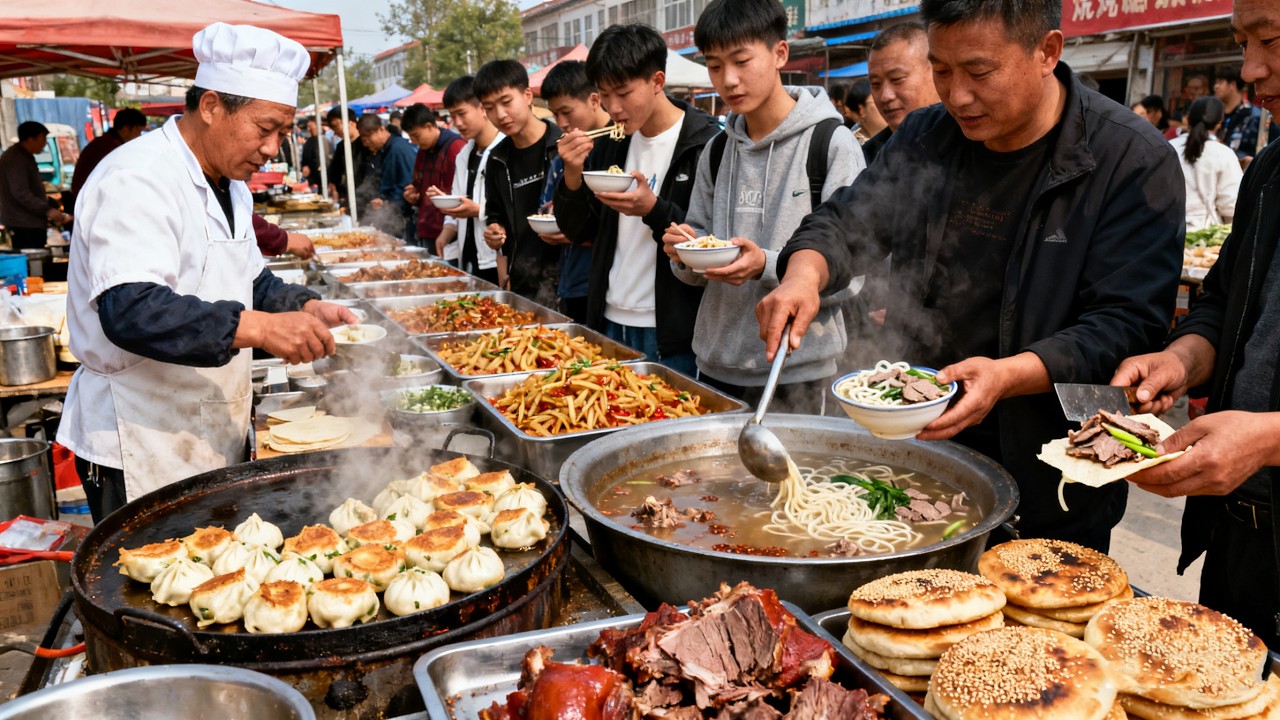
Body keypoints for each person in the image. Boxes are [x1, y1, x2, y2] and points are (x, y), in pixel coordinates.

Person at [756, 0, 1184, 552]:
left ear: (1047, 51)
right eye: (941, 69)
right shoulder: (926, 136)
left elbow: (1126, 325)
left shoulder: (1130, 159)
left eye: (979, 71)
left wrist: (1007, 375)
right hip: (916, 454)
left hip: (1057, 471)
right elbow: (847, 220)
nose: (956, 95)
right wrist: (803, 274)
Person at [58, 22, 357, 522]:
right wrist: (261, 327)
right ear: (212, 106)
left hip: (209, 423)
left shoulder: (230, 182)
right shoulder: (138, 177)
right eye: (266, 129)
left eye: (283, 132)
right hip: (140, 435)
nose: (272, 149)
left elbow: (249, 279)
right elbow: (131, 309)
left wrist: (302, 305)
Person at [1110, 0, 1280, 649]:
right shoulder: (1268, 172)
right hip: (1240, 534)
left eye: (1271, 40)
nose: (1251, 69)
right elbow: (1220, 302)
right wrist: (1181, 359)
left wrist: (1266, 439)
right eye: (1242, 43)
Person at [654, 0, 862, 411]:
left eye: (741, 61)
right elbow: (697, 246)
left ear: (780, 53)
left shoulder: (831, 145)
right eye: (715, 66)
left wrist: (766, 264)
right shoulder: (716, 150)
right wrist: (684, 251)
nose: (728, 80)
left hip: (798, 369)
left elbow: (856, 274)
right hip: (715, 363)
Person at [554, 24, 719, 375]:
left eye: (624, 93)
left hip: (674, 332)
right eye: (604, 94)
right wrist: (571, 173)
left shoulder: (704, 144)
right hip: (608, 319)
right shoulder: (611, 143)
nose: (613, 108)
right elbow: (578, 231)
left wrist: (653, 210)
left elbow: (709, 242)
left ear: (657, 81)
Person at [476, 59, 563, 304]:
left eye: (506, 102)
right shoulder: (497, 158)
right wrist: (495, 231)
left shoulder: (562, 146)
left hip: (564, 280)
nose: (500, 115)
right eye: (489, 108)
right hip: (523, 282)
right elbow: (495, 214)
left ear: (527, 95)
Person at [538, 60, 606, 324]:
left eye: (567, 111)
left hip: (599, 284)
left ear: (593, 99)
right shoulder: (562, 158)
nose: (562, 123)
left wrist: (572, 232)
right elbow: (545, 210)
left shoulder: (615, 150)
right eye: (555, 114)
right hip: (569, 279)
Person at [430, 76, 504, 285]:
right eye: (452, 116)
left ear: (482, 108)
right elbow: (458, 200)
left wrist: (478, 210)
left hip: (497, 258)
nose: (457, 123)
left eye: (462, 113)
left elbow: (513, 211)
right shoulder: (464, 154)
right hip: (471, 256)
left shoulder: (504, 151)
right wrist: (446, 232)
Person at [861, 22, 941, 165]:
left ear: (936, 72)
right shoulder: (869, 159)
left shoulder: (975, 141)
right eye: (875, 84)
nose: (885, 96)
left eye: (897, 79)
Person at [400, 103, 465, 252]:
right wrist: (412, 193)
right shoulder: (423, 151)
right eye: (411, 137)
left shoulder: (455, 147)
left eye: (416, 136)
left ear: (429, 126)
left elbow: (460, 192)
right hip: (426, 227)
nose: (414, 141)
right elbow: (417, 183)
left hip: (449, 231)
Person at [1173, 97, 1243, 230]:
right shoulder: (1223, 153)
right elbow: (1230, 205)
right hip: (1205, 237)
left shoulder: (1168, 148)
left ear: (1187, 119)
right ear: (1219, 124)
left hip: (1166, 232)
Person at [0, 121, 70, 250]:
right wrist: (47, 210)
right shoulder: (16, 158)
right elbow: (20, 192)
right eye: (43, 139)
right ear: (30, 139)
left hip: (28, 223)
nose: (44, 144)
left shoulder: (24, 156)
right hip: (23, 225)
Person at [358, 113, 417, 240]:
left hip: (402, 218)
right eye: (363, 140)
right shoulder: (386, 150)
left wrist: (387, 202)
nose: (366, 143)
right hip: (391, 215)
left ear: (381, 129)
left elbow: (408, 184)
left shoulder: (398, 148)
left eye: (368, 137)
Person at [71, 108, 148, 198]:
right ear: (125, 128)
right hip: (90, 200)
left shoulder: (106, 142)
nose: (139, 136)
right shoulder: (108, 147)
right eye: (138, 131)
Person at [326, 106, 374, 217]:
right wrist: (333, 185)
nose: (335, 133)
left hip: (367, 200)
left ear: (351, 122)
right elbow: (334, 171)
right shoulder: (340, 147)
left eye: (336, 127)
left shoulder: (366, 144)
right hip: (348, 199)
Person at [1216, 64, 1266, 165]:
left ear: (1232, 85)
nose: (1216, 86)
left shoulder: (1254, 116)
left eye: (1220, 82)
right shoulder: (1215, 114)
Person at [846, 78, 887, 145]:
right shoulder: (852, 146)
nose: (887, 105)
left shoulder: (900, 136)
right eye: (877, 101)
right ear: (861, 110)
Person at [299, 115, 322, 187]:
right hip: (310, 177)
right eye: (308, 127)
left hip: (320, 175)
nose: (308, 129)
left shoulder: (323, 140)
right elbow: (305, 158)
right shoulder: (308, 141)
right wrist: (304, 166)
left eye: (310, 126)